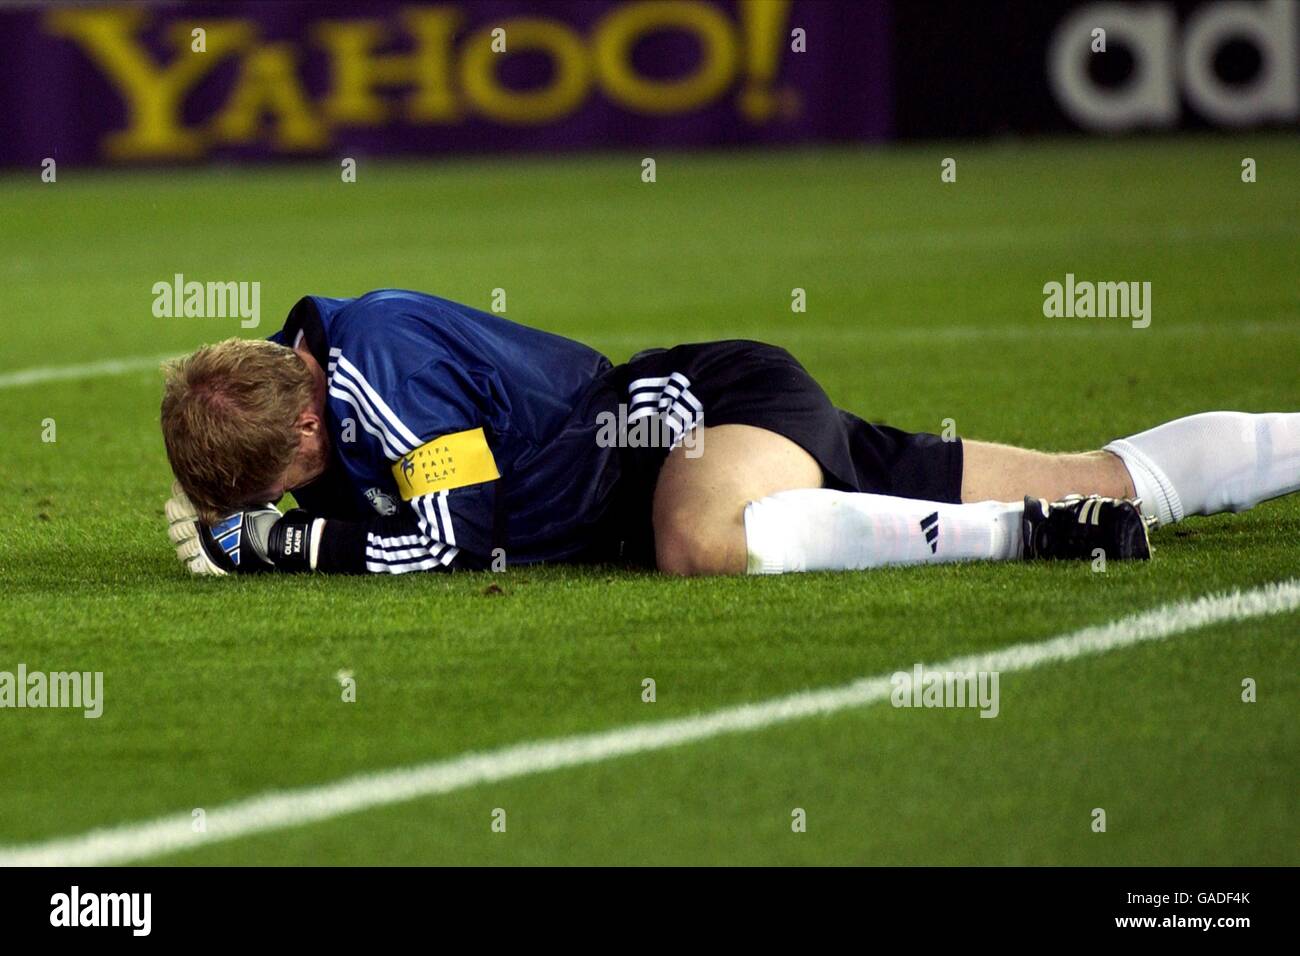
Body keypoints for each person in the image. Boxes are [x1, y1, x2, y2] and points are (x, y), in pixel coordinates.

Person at [160, 289, 1298, 577]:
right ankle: (1081, 505)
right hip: (726, 427)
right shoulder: (315, 380)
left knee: (697, 542)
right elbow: (364, 495)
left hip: (705, 414)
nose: (298, 485)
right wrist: (245, 516)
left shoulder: (384, 369)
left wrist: (277, 546)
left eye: (292, 469)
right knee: (1108, 473)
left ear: (309, 412)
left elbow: (450, 536)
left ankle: (1034, 537)